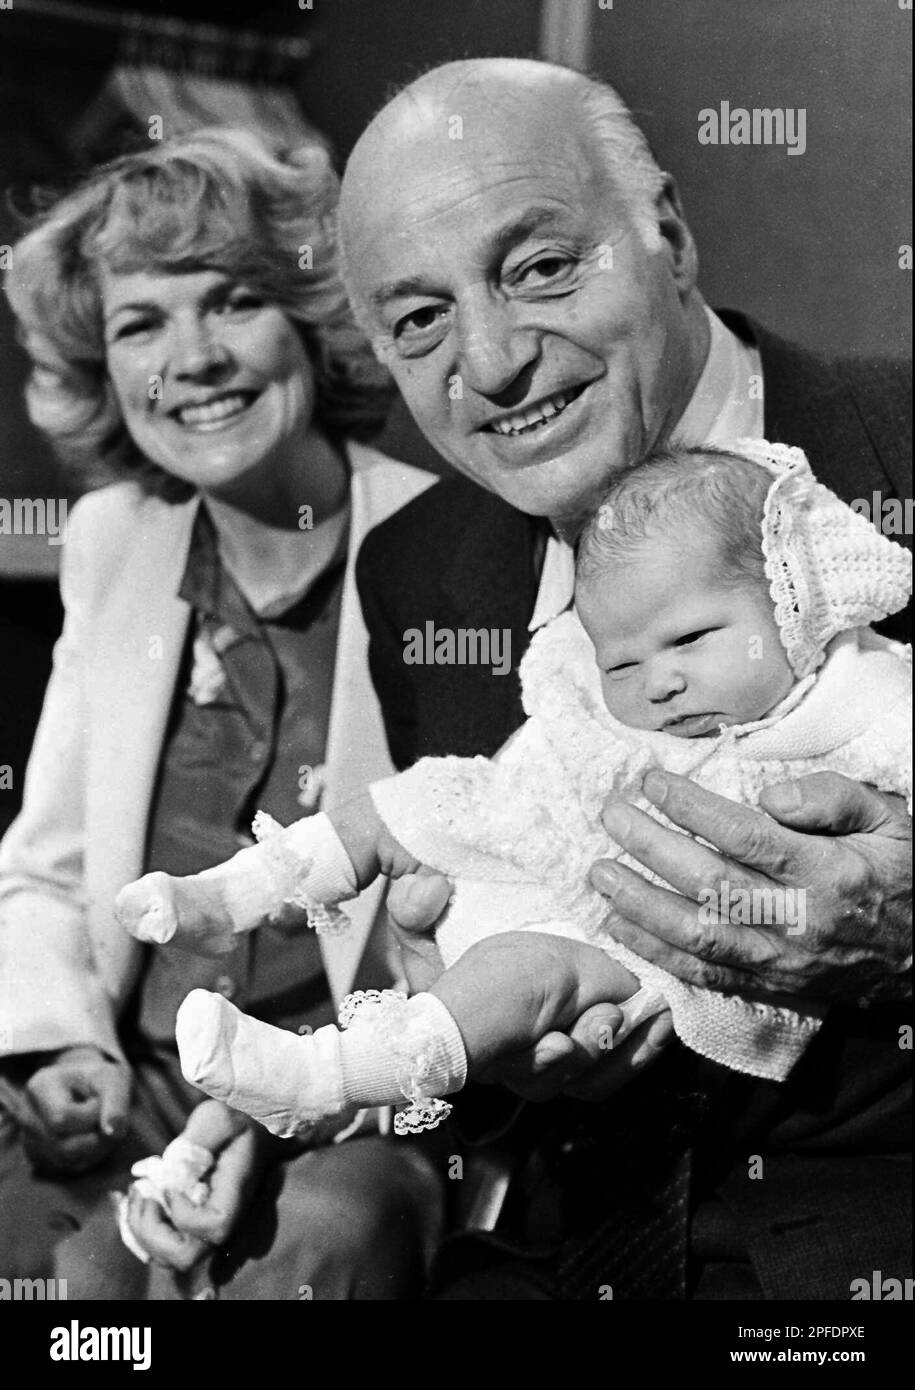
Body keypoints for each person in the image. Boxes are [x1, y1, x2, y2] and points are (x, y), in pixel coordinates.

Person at [338, 58, 911, 1298]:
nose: (489, 362)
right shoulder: (419, 571)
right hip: (558, 1253)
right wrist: (473, 1049)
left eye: (541, 267)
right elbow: (475, 1095)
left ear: (671, 237)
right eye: (419, 319)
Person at [115, 438, 911, 1147]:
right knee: (419, 797)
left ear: (793, 598)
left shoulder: (858, 696)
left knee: (524, 971)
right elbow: (525, 773)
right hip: (555, 871)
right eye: (622, 664)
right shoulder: (417, 568)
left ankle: (326, 1078)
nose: (660, 683)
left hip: (631, 952)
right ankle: (236, 893)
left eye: (693, 640)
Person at [0, 125, 442, 1299]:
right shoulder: (114, 542)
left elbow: (488, 907)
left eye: (232, 301)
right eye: (141, 322)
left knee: (311, 1252)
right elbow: (44, 871)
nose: (190, 358)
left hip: (358, 1090)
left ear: (310, 320)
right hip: (136, 1073)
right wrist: (58, 1046)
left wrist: (301, 1098)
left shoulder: (451, 544)